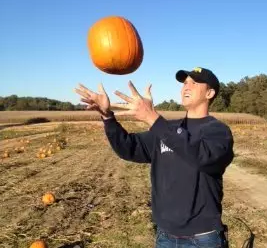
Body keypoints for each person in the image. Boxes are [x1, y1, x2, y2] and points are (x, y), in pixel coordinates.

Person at [74, 66, 234, 248]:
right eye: (185, 83)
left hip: (202, 238)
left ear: (210, 93)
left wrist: (152, 118)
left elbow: (202, 157)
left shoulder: (217, 131)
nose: (186, 87)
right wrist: (107, 116)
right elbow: (129, 147)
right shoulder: (166, 129)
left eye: (194, 83)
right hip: (165, 235)